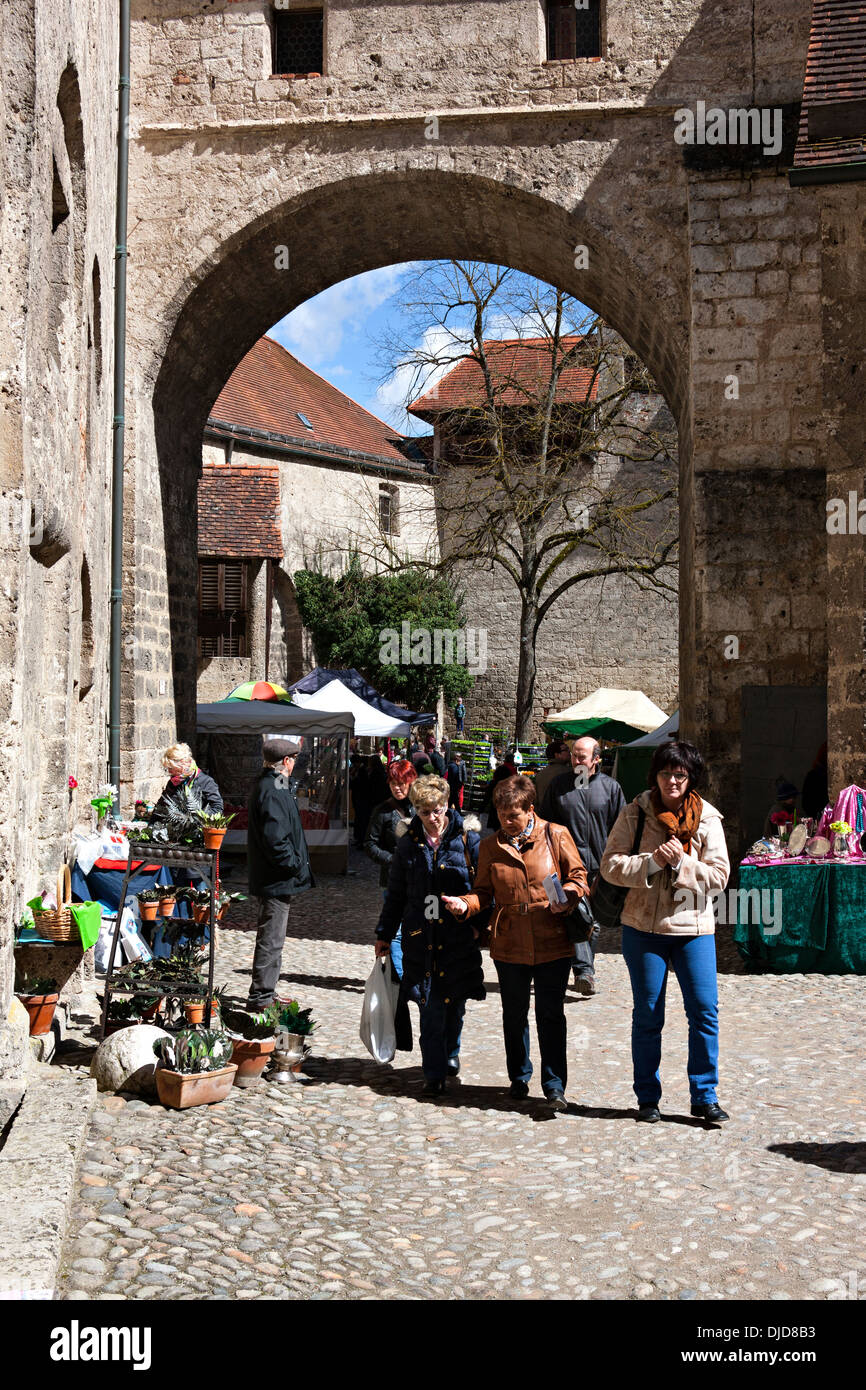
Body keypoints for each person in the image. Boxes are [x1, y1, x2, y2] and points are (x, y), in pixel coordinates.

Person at [599, 740, 731, 1125]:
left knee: (704, 1012)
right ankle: (647, 1098)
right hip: (644, 927)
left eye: (679, 774)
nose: (672, 780)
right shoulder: (635, 812)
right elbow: (610, 866)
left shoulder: (707, 818)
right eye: (665, 773)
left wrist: (684, 864)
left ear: (690, 778)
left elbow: (720, 877)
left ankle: (704, 1096)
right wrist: (652, 863)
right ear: (654, 775)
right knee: (648, 1015)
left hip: (693, 928)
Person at [444, 774, 589, 1112]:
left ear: (530, 810)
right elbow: (483, 891)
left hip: (552, 937)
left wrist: (569, 893)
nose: (506, 821)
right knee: (514, 1012)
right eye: (501, 813)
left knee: (550, 1014)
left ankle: (554, 1086)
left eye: (513, 814)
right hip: (509, 940)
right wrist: (466, 905)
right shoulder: (491, 846)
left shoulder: (556, 835)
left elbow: (579, 877)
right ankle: (518, 1076)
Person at [375, 775, 486, 1096]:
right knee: (430, 1004)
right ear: (416, 812)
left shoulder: (468, 841)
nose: (433, 818)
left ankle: (451, 1049)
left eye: (437, 810)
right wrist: (384, 933)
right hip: (420, 937)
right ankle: (434, 1071)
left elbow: (484, 889)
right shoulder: (408, 843)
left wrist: (479, 922)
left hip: (458, 936)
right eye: (424, 812)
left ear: (448, 805)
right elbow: (395, 894)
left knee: (456, 1003)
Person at [540, 736, 625, 997]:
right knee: (577, 918)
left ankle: (582, 968)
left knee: (594, 923)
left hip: (600, 868)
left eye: (582, 756)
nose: (576, 760)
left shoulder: (610, 788)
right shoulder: (559, 786)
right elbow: (546, 825)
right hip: (565, 869)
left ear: (596, 759)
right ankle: (584, 970)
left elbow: (621, 830)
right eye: (573, 755)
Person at [246, 738, 313, 1012]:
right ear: (286, 761)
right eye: (293, 759)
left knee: (273, 938)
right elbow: (276, 839)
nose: (295, 763)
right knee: (271, 939)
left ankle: (266, 992)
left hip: (276, 876)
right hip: (275, 878)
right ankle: (261, 998)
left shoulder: (275, 783)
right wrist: (294, 864)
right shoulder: (272, 788)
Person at [365, 758, 418, 977]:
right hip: (393, 880)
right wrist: (391, 860)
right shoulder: (383, 812)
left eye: (401, 783)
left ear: (411, 781)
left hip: (421, 879)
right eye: (393, 783)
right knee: (395, 931)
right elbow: (370, 844)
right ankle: (399, 976)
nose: (397, 787)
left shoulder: (422, 808)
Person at [151, 743, 223, 824]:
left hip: (199, 830)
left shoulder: (206, 782)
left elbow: (217, 808)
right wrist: (151, 825)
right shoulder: (173, 782)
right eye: (167, 768)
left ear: (183, 763)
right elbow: (161, 806)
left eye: (171, 768)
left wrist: (196, 819)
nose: (169, 771)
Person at [532, 738, 572, 803]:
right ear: (557, 755)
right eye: (566, 750)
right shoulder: (568, 772)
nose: (569, 752)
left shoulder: (540, 774)